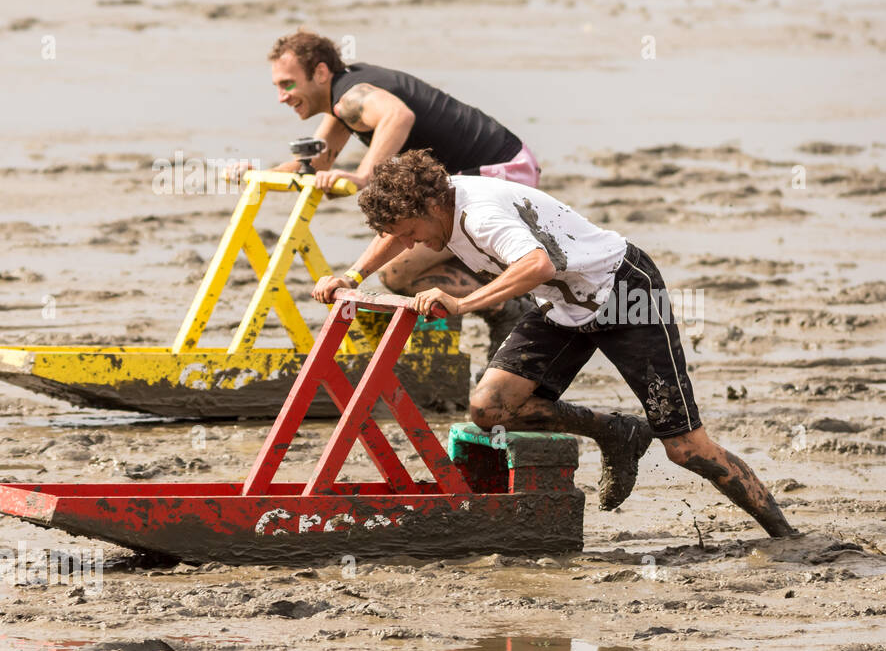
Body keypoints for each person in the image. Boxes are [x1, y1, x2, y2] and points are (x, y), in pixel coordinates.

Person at [324, 148, 796, 536]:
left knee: (686, 447)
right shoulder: (435, 208)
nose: (407, 245)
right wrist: (350, 275)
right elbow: (395, 236)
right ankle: (617, 431)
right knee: (489, 410)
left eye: (410, 232)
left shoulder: (481, 215)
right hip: (565, 306)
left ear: (430, 207)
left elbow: (537, 266)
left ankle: (787, 535)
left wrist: (463, 305)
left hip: (624, 294)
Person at [231, 29, 537, 358]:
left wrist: (364, 175)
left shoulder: (352, 97)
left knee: (400, 272)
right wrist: (255, 174)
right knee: (410, 254)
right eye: (277, 87)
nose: (282, 96)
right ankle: (498, 305)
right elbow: (312, 165)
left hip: (504, 170)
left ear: (320, 73)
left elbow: (397, 115)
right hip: (481, 174)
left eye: (287, 84)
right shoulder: (343, 104)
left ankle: (507, 308)